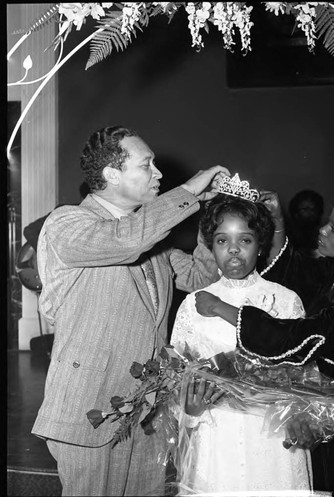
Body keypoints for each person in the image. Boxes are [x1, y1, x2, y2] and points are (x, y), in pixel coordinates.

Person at [31, 125, 230, 496]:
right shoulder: (67, 223)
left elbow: (200, 276)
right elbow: (125, 242)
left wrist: (208, 220)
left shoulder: (151, 239)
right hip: (89, 408)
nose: (158, 174)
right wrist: (187, 192)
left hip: (145, 413)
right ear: (111, 175)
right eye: (147, 165)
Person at [195, 180, 334, 495]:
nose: (322, 230)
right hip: (325, 392)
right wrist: (278, 221)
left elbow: (301, 336)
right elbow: (301, 273)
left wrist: (224, 309)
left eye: (333, 229)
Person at [170, 191, 313, 494]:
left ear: (260, 244)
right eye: (222, 241)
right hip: (215, 435)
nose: (233, 250)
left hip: (271, 437)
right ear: (211, 245)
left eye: (244, 240)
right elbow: (177, 379)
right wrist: (189, 410)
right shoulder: (192, 305)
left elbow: (302, 376)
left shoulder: (286, 301)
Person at [287, 189, 324, 257]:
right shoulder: (288, 238)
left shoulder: (323, 234)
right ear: (296, 213)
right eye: (306, 209)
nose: (311, 213)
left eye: (313, 209)